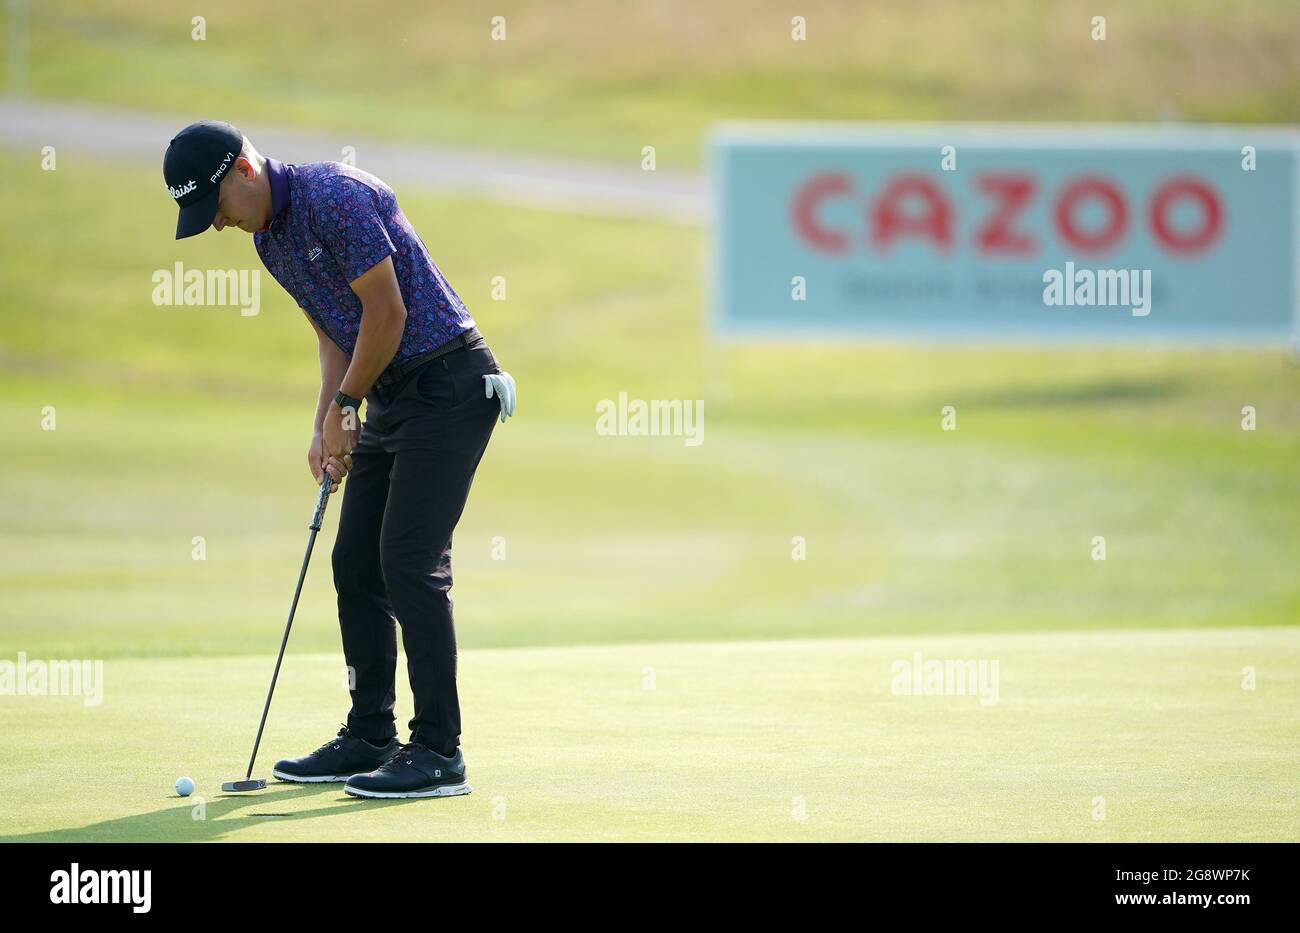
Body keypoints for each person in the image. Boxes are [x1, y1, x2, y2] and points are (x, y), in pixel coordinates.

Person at [163, 120, 516, 799]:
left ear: (243, 169)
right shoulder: (270, 239)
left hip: (446, 382)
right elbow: (334, 332)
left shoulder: (334, 196)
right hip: (384, 391)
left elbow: (388, 313)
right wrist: (329, 418)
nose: (217, 226)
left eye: (216, 207)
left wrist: (349, 402)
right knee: (354, 561)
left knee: (409, 561)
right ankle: (370, 733)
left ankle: (439, 751)